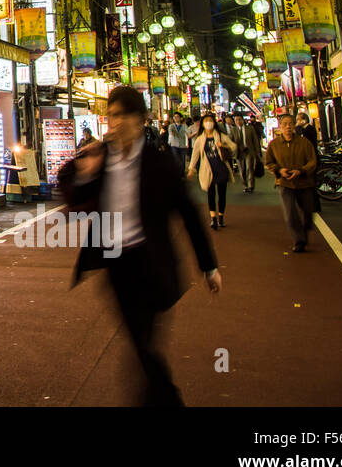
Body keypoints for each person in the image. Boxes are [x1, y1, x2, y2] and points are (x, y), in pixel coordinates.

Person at [58, 86, 220, 407]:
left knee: (143, 344)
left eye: (121, 115)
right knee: (139, 341)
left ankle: (162, 399)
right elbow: (66, 184)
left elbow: (188, 213)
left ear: (140, 119)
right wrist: (84, 173)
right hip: (117, 265)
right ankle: (161, 399)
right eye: (111, 115)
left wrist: (208, 265)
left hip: (152, 264)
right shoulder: (102, 155)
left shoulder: (159, 164)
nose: (115, 122)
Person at [264, 113, 318, 252]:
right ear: (280, 127)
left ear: (294, 126)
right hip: (284, 183)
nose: (287, 127)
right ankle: (299, 241)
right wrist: (279, 170)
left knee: (308, 211)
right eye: (284, 124)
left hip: (304, 182)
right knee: (290, 213)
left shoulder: (304, 142)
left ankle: (305, 231)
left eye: (290, 124)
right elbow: (269, 162)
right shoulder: (274, 144)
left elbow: (313, 161)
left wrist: (301, 171)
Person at [188, 112, 237, 229]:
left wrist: (223, 146)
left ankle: (221, 217)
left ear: (214, 123)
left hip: (221, 168)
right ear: (203, 124)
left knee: (222, 194)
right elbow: (195, 155)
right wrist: (191, 169)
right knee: (210, 194)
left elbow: (234, 146)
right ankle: (213, 218)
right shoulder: (200, 139)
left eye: (210, 120)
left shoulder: (220, 136)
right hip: (207, 169)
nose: (208, 123)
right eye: (206, 121)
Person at [233, 113, 262, 193]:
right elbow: (231, 142)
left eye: (239, 119)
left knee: (249, 168)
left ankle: (250, 186)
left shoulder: (250, 128)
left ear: (243, 120)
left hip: (249, 151)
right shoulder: (233, 130)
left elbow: (255, 140)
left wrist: (257, 152)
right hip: (239, 152)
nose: (238, 121)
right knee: (242, 170)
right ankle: (245, 184)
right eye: (236, 120)